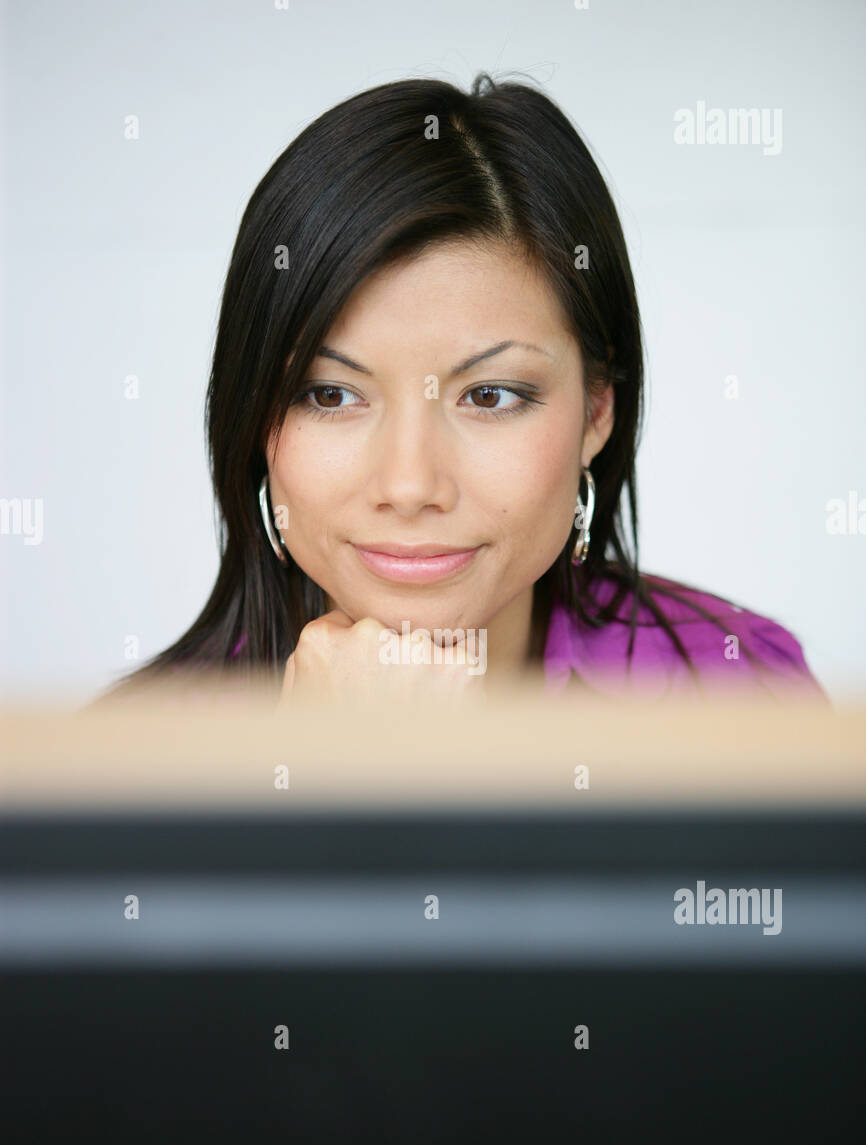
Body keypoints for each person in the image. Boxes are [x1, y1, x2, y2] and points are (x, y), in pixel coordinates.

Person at [100, 73, 825, 707]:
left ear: (598, 408)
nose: (411, 486)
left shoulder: (742, 686)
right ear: (255, 414)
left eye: (490, 396)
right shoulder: (124, 773)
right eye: (329, 395)